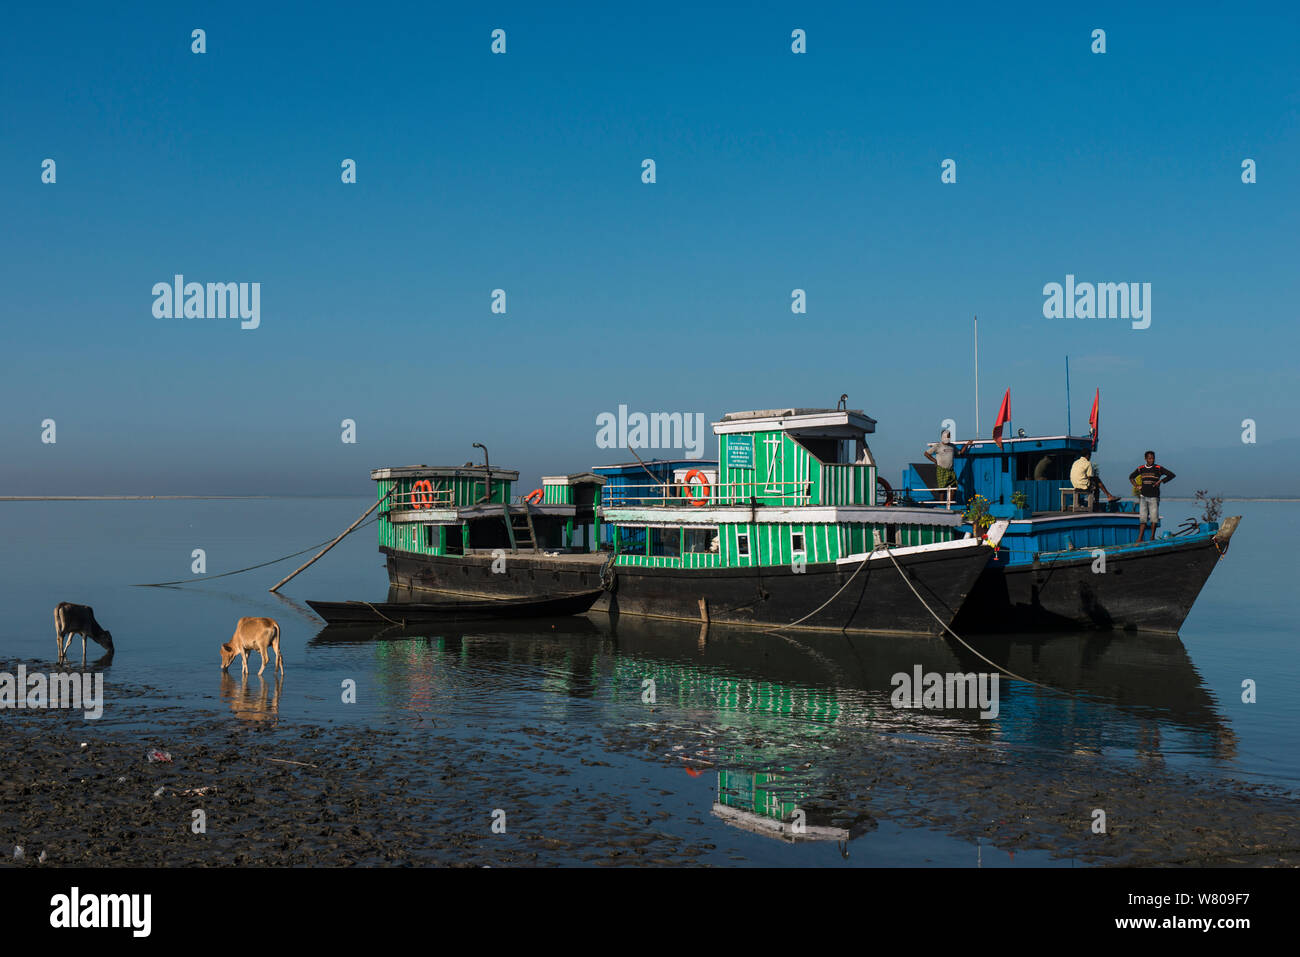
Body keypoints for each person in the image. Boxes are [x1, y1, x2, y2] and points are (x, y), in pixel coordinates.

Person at [1129, 450, 1175, 541]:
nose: (1152, 460)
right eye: (1149, 458)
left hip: (1154, 496)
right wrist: (1137, 486)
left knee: (1154, 519)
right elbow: (1131, 477)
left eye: (1153, 458)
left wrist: (1161, 481)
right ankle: (1140, 538)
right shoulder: (1141, 468)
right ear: (1145, 459)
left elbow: (1171, 475)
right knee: (1143, 519)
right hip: (1143, 496)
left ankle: (1152, 537)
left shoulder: (1158, 468)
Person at [924, 430, 974, 505]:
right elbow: (926, 453)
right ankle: (942, 505)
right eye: (948, 436)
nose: (949, 438)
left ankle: (949, 503)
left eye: (949, 436)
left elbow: (960, 452)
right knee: (942, 489)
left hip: (950, 470)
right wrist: (935, 461)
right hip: (941, 469)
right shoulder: (938, 446)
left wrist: (967, 445)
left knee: (954, 487)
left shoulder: (952, 446)